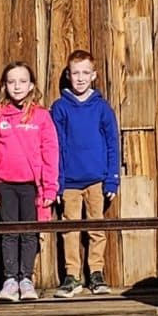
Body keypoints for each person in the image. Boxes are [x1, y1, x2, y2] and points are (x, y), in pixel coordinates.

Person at [0, 61, 59, 302]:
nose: (17, 86)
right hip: (5, 186)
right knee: (9, 233)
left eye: (22, 81)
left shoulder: (41, 116)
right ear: (5, 85)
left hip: (32, 186)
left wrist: (50, 187)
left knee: (30, 233)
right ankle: (10, 280)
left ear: (31, 85)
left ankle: (26, 279)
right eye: (12, 81)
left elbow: (50, 151)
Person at [50, 48, 120, 297]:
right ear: (68, 75)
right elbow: (54, 146)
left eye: (85, 73)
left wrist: (112, 179)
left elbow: (113, 142)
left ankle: (96, 274)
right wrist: (56, 182)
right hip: (69, 181)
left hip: (96, 180)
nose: (80, 78)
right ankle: (72, 276)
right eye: (75, 73)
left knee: (96, 227)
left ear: (94, 75)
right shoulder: (60, 107)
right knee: (69, 228)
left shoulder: (101, 108)